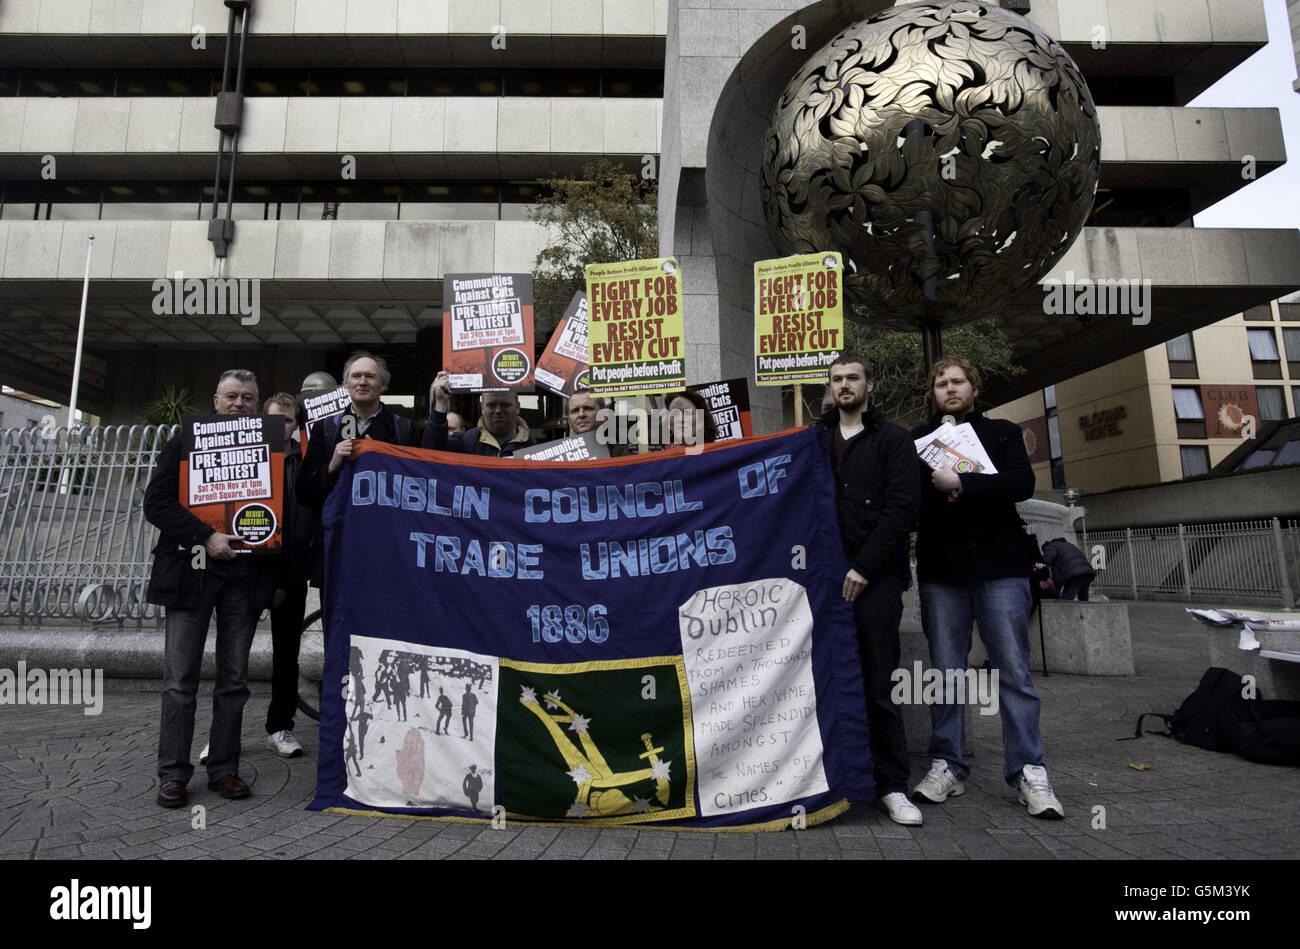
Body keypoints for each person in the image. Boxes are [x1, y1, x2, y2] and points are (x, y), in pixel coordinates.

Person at [910, 356, 1064, 819]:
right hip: (942, 572)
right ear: (933, 393)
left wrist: (962, 482)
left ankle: (1028, 771)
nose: (950, 389)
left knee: (1013, 673)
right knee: (946, 673)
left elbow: (1021, 483)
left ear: (974, 388)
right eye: (942, 383)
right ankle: (948, 765)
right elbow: (911, 502)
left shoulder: (1002, 433)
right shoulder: (918, 441)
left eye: (958, 382)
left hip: (1001, 568)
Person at [144, 369, 276, 808]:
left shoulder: (268, 446)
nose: (240, 404)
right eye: (232, 397)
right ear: (216, 402)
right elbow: (156, 503)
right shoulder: (185, 441)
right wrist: (205, 536)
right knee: (180, 682)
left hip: (242, 578)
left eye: (248, 398)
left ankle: (223, 768)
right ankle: (173, 774)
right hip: (190, 574)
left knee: (234, 681)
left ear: (257, 406)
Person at [815, 354, 922, 826]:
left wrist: (863, 567)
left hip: (875, 581)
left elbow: (902, 511)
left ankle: (892, 786)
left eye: (852, 378)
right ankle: (833, 782)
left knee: (879, 684)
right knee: (828, 681)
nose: (844, 385)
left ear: (869, 384)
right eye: (837, 379)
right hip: (821, 582)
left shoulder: (895, 440)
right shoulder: (813, 439)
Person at [297, 352, 418, 588]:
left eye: (370, 376)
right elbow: (303, 491)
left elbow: (417, 487)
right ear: (346, 385)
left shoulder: (403, 428)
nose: (363, 382)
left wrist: (385, 459)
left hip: (386, 545)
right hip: (337, 543)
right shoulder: (326, 428)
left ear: (383, 385)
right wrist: (331, 466)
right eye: (356, 376)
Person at [261, 393, 315, 758]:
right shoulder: (245, 456)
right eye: (276, 419)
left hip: (289, 572)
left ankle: (280, 726)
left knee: (286, 655)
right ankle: (221, 733)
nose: (283, 426)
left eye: (290, 420)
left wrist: (282, 578)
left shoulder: (305, 460)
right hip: (241, 572)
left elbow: (299, 522)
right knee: (230, 658)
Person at [423, 370, 535, 457]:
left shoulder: (535, 450)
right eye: (491, 405)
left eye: (505, 405)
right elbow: (431, 456)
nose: (498, 411)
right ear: (482, 407)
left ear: (518, 407)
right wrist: (441, 404)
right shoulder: (464, 442)